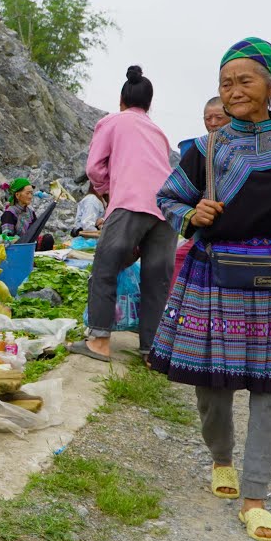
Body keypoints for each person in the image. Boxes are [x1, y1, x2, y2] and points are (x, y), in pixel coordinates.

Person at [149, 37, 271, 541]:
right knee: (212, 387)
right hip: (216, 272)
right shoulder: (207, 149)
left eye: (245, 80)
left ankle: (255, 497)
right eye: (225, 82)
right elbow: (168, 196)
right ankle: (221, 460)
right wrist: (192, 215)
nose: (233, 90)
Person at [68, 65, 175, 363]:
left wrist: (107, 191)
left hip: (131, 202)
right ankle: (152, 351)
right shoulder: (159, 132)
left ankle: (100, 341)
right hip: (166, 209)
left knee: (106, 267)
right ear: (149, 103)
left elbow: (93, 168)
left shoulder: (113, 122)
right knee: (156, 279)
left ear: (121, 99)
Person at [173, 97, 233, 285]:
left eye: (218, 117)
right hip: (204, 220)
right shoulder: (198, 149)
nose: (213, 123)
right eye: (208, 118)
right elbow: (173, 195)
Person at [0, 178, 55, 251]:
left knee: (48, 239)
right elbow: (7, 238)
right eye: (27, 193)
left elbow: (34, 232)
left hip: (29, 245)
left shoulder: (30, 212)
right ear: (17, 195)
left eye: (31, 193)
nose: (30, 196)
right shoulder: (9, 213)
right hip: (16, 248)